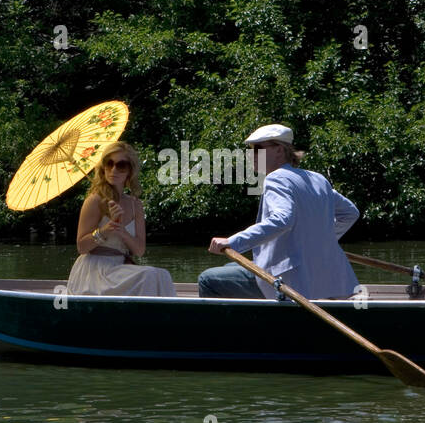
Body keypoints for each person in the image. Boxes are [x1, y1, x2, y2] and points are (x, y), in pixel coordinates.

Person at [200, 124, 360, 300]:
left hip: (290, 280)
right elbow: (350, 213)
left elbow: (282, 220)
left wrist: (232, 242)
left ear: (279, 150)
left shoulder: (276, 178)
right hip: (328, 279)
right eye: (250, 149)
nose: (251, 154)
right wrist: (315, 241)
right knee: (228, 269)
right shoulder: (317, 179)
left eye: (258, 148)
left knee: (208, 279)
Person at [66, 141, 177, 297]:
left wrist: (122, 231)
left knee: (162, 275)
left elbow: (139, 250)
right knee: (150, 275)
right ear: (103, 167)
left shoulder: (135, 205)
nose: (113, 170)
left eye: (121, 165)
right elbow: (82, 247)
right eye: (109, 163)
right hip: (95, 271)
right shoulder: (94, 200)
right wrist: (106, 230)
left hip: (121, 268)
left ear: (129, 171)